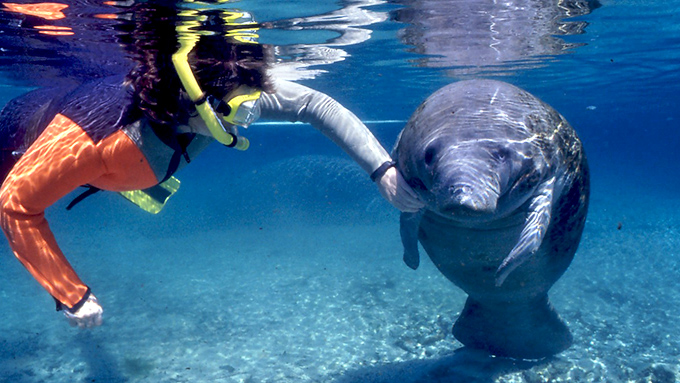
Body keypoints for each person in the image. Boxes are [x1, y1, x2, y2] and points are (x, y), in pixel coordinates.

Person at [0, 5, 422, 329]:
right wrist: (70, 293)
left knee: (134, 170)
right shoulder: (103, 132)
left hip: (133, 166)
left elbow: (314, 103)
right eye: (240, 109)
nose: (247, 118)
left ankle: (134, 183)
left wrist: (381, 169)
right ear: (196, 99)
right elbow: (16, 204)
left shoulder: (219, 96)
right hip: (21, 135)